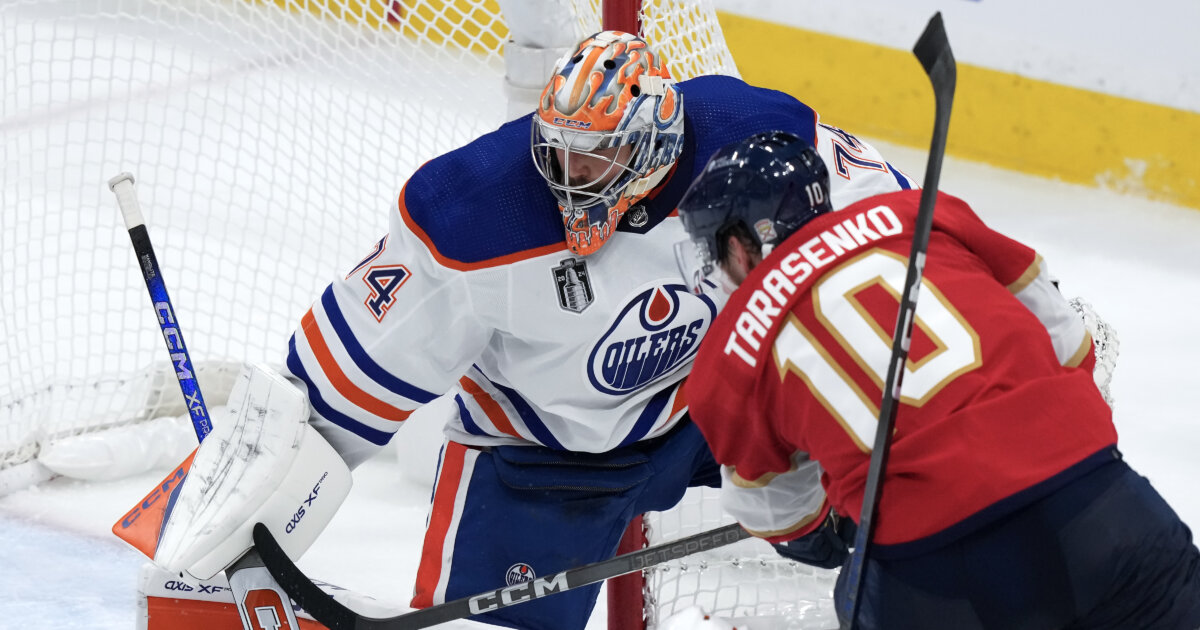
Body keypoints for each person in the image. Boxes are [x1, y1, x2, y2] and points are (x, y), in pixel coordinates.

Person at [281, 31, 918, 630]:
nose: (569, 174)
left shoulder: (752, 135)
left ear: (653, 146)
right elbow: (333, 393)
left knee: (910, 468)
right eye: (559, 150)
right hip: (541, 456)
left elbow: (896, 229)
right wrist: (259, 506)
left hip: (709, 408)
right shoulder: (472, 216)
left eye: (593, 157)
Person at [674, 130, 1200, 629]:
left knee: (856, 588)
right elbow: (1067, 337)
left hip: (939, 568)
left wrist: (830, 534)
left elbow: (776, 513)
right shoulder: (923, 214)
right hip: (1102, 506)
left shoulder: (731, 348)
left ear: (740, 245)